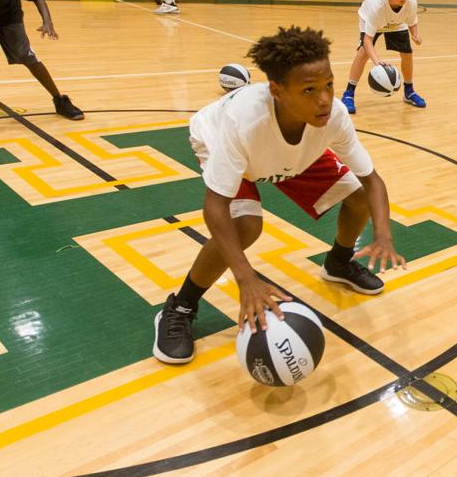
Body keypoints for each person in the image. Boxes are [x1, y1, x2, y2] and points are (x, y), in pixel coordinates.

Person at [152, 26, 406, 365]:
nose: (325, 99)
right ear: (277, 90)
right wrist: (246, 278)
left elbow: (372, 181)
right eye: (310, 89)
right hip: (224, 145)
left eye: (329, 84)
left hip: (288, 151)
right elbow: (215, 205)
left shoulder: (331, 117)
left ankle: (339, 262)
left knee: (357, 194)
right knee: (245, 226)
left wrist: (384, 233)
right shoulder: (245, 121)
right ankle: (180, 307)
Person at [340, 0, 426, 114]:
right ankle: (348, 93)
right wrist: (377, 62)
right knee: (363, 53)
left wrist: (415, 35)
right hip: (372, 19)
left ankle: (409, 91)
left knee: (407, 53)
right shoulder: (376, 7)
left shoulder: (410, 2)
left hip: (396, 22)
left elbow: (412, 21)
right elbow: (367, 40)